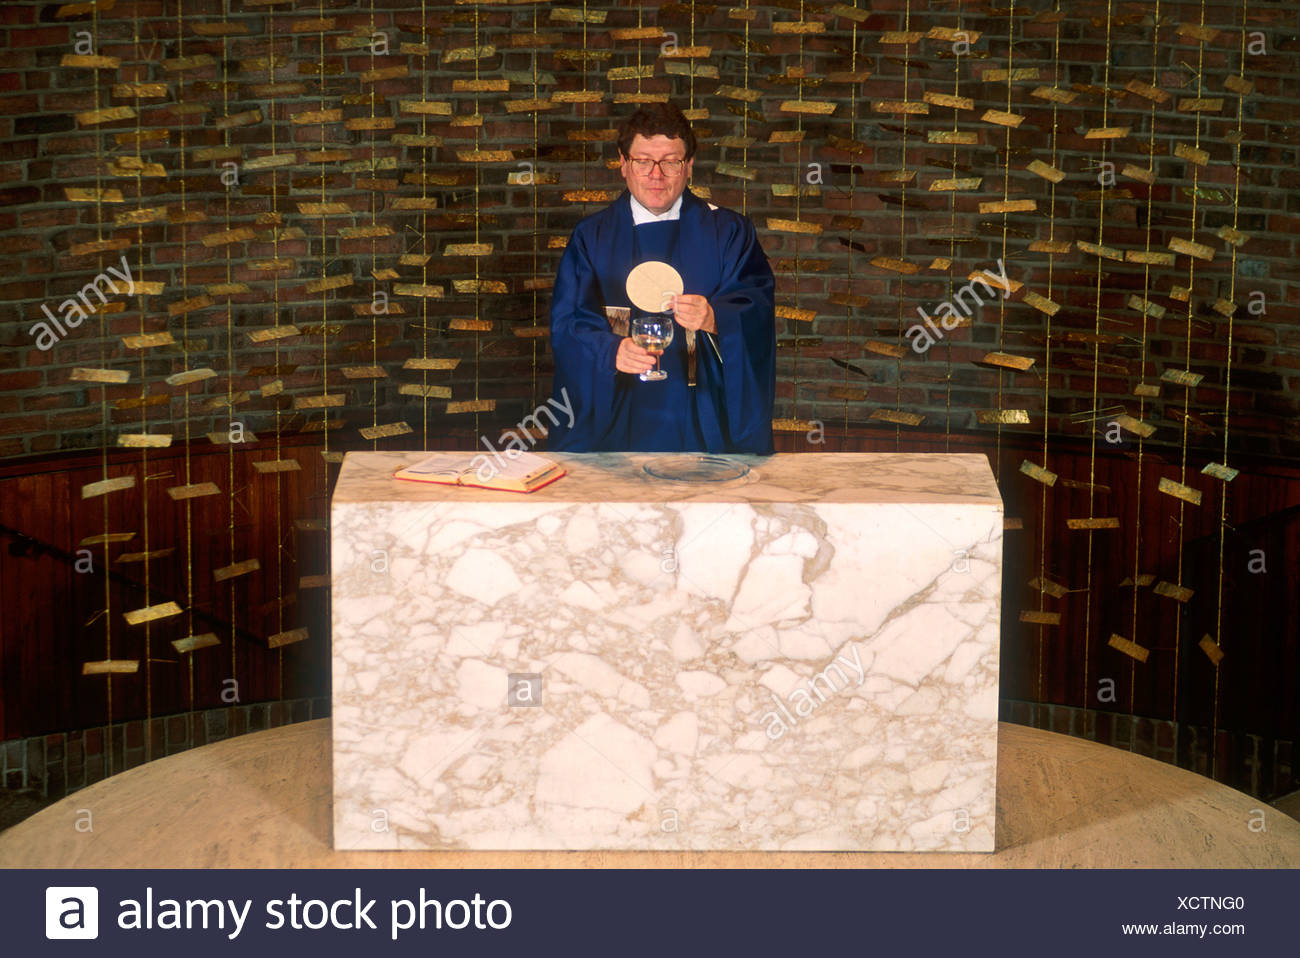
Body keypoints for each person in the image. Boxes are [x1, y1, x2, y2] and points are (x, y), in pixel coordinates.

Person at [547, 102, 775, 454]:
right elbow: (569, 323)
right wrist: (610, 352)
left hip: (703, 411)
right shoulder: (591, 236)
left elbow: (756, 304)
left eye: (670, 161)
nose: (656, 175)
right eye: (643, 161)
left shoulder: (729, 232)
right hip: (617, 413)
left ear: (689, 167)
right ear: (623, 164)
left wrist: (716, 317)